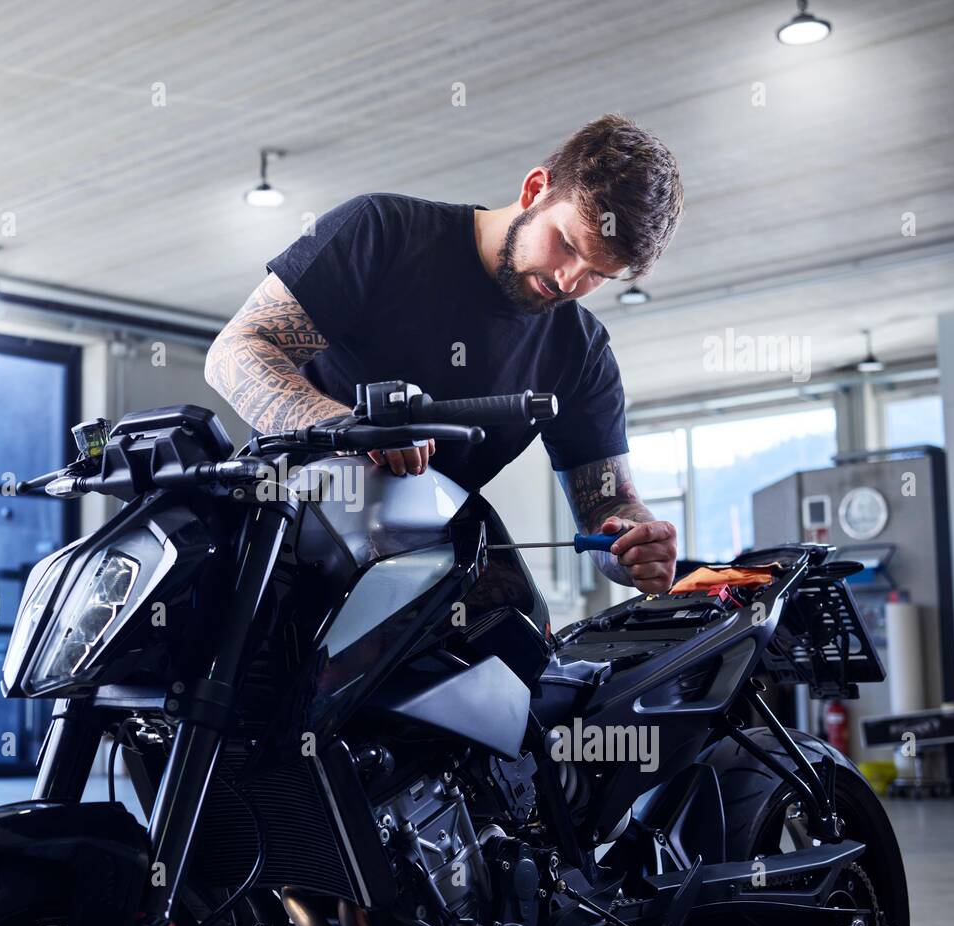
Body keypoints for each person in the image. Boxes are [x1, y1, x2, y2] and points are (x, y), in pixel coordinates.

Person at [204, 114, 682, 594]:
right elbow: (236, 350)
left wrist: (636, 546)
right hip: (273, 555)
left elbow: (608, 507)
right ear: (537, 188)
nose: (568, 282)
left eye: (598, 274)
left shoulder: (581, 354)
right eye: (565, 244)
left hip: (416, 592)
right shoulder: (382, 232)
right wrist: (346, 430)